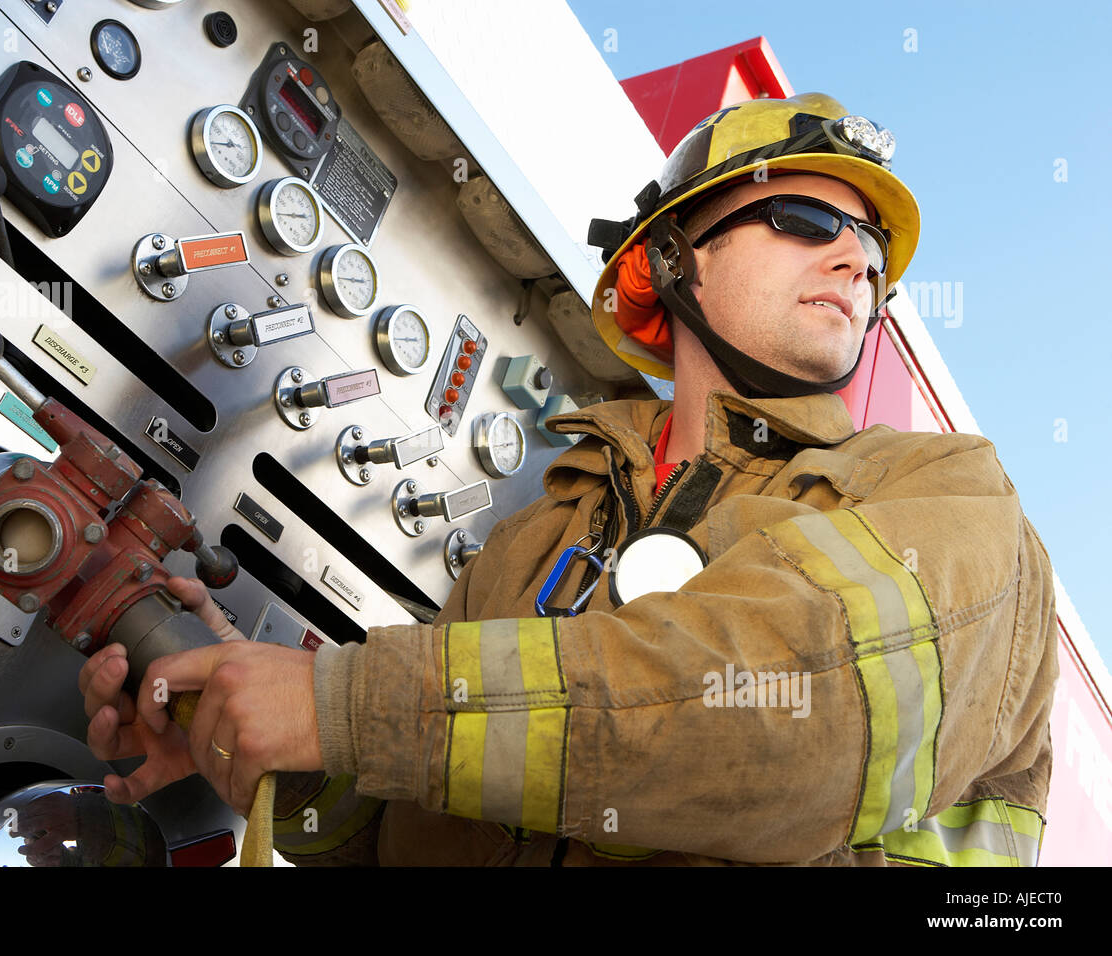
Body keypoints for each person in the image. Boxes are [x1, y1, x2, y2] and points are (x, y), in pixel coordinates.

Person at [79, 93, 1059, 866]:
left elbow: (791, 719)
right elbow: (397, 830)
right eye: (805, 218)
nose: (857, 261)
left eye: (874, 252)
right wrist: (257, 737)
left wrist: (341, 703)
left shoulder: (947, 495)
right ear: (673, 258)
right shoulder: (536, 534)